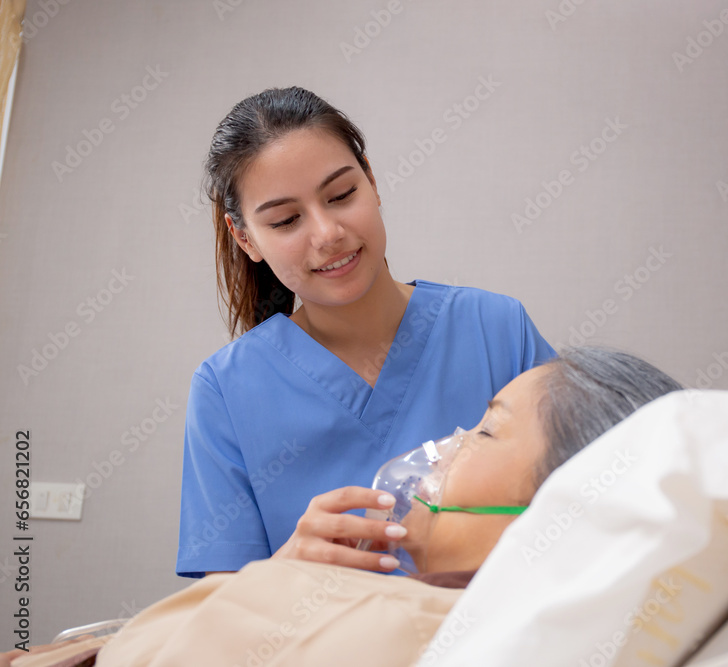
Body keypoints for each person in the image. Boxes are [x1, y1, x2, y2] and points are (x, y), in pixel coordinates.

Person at [6, 348, 681, 667]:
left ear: (566, 502)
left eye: (484, 427)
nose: (444, 442)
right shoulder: (226, 381)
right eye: (284, 217)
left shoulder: (401, 627)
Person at [177, 86, 556, 578]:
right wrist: (283, 570)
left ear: (372, 181)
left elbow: (592, 505)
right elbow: (223, 618)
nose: (327, 233)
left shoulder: (498, 331)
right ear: (245, 237)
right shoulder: (224, 391)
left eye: (341, 195)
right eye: (287, 220)